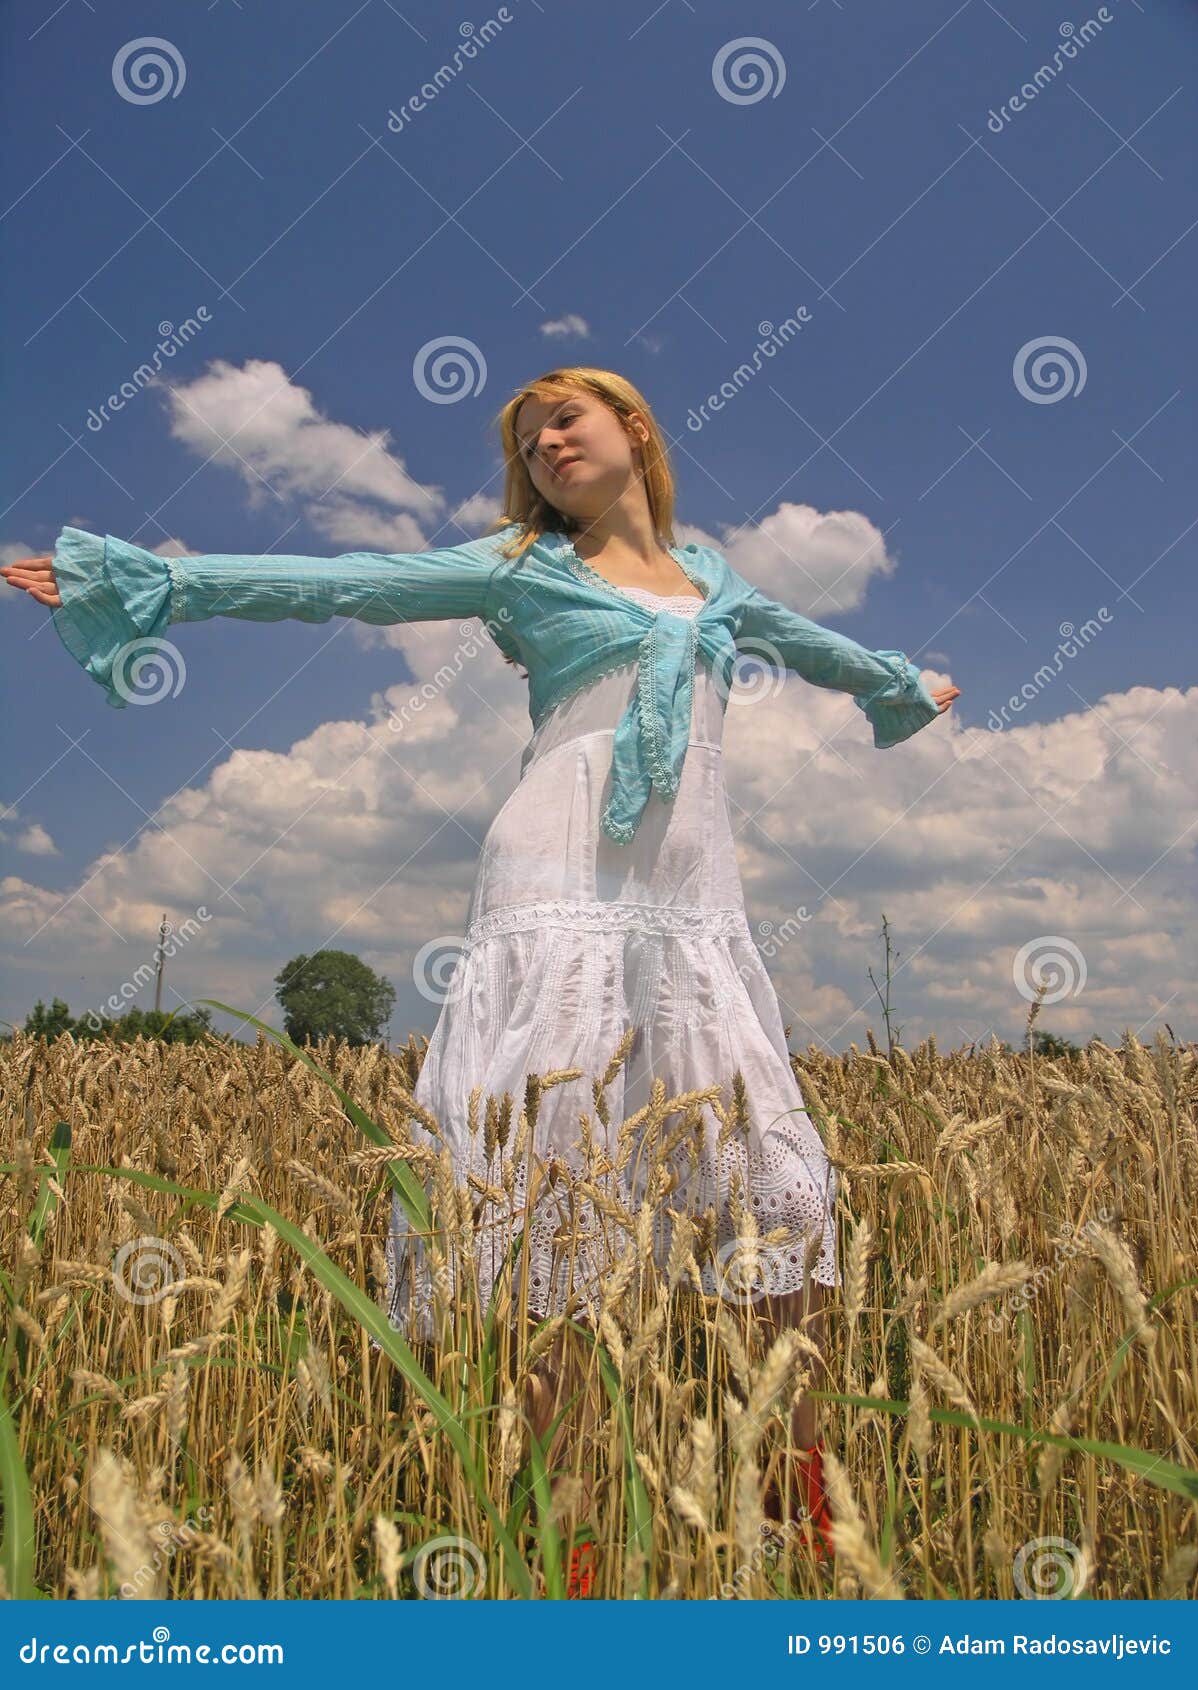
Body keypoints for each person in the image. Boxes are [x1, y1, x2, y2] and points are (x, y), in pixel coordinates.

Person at [3, 364, 959, 1592]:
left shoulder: (718, 582)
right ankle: (570, 1540)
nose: (545, 443)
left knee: (780, 1201)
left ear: (634, 428)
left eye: (564, 418)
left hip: (689, 905)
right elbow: (344, 583)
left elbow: (817, 649)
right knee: (553, 1190)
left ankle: (800, 1493)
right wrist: (162, 582)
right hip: (556, 883)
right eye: (527, 437)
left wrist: (901, 684)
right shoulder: (518, 566)